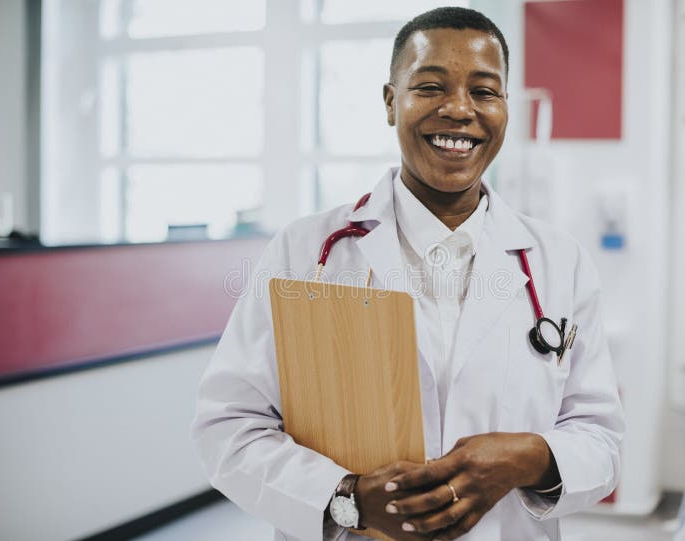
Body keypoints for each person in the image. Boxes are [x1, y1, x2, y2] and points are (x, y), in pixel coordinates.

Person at [191, 7, 624, 541]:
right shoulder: (305, 252)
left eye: (485, 92)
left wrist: (531, 457)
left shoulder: (560, 261)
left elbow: (601, 437)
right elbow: (228, 427)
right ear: (391, 103)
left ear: (506, 107)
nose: (460, 110)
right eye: (430, 87)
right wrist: (344, 498)